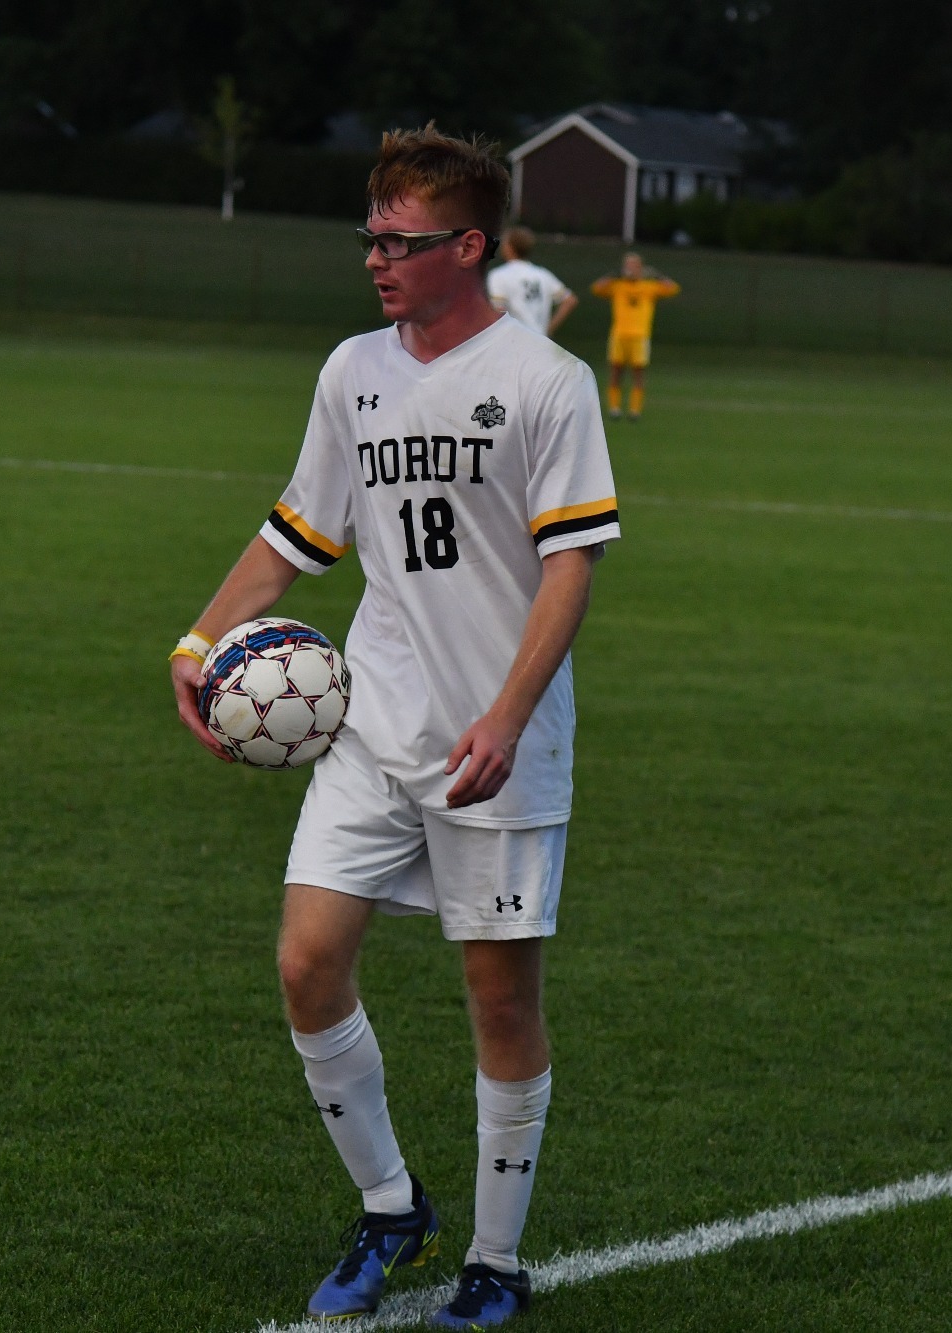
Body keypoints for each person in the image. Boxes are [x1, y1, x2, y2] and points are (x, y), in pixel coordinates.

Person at [168, 125, 619, 1329]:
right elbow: (296, 534)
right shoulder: (351, 369)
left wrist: (509, 716)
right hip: (370, 725)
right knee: (307, 962)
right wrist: (196, 642)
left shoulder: (543, 381)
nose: (375, 259)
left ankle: (495, 1259)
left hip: (496, 745)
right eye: (368, 237)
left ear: (467, 247)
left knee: (499, 1000)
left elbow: (569, 567)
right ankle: (387, 1206)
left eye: (399, 241)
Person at [590, 253, 679, 420]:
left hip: (640, 336)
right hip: (619, 335)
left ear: (640, 268)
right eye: (627, 265)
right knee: (616, 371)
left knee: (638, 373)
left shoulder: (649, 287)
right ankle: (614, 408)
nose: (630, 269)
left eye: (633, 265)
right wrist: (613, 274)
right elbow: (597, 288)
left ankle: (634, 410)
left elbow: (673, 288)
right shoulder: (617, 286)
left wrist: (657, 275)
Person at [486, 226, 577, 339]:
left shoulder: (499, 275)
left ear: (509, 247)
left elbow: (499, 310)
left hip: (515, 341)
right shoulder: (542, 274)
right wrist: (549, 329)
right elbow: (570, 300)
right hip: (540, 341)